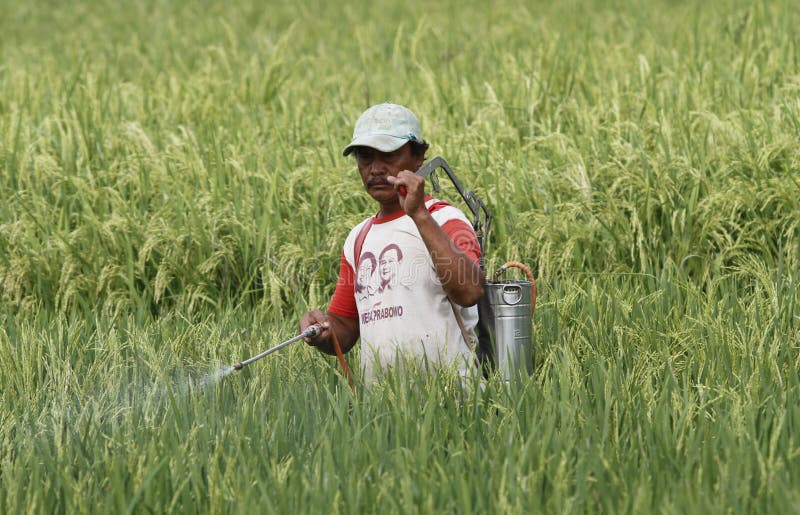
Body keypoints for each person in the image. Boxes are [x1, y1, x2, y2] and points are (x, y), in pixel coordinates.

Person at [299, 102, 485, 382]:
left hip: (455, 402)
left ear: (419, 156)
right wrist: (322, 331)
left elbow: (470, 292)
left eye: (388, 154)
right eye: (365, 157)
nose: (375, 169)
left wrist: (419, 213)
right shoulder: (358, 239)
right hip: (385, 413)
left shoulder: (445, 220)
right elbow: (346, 330)